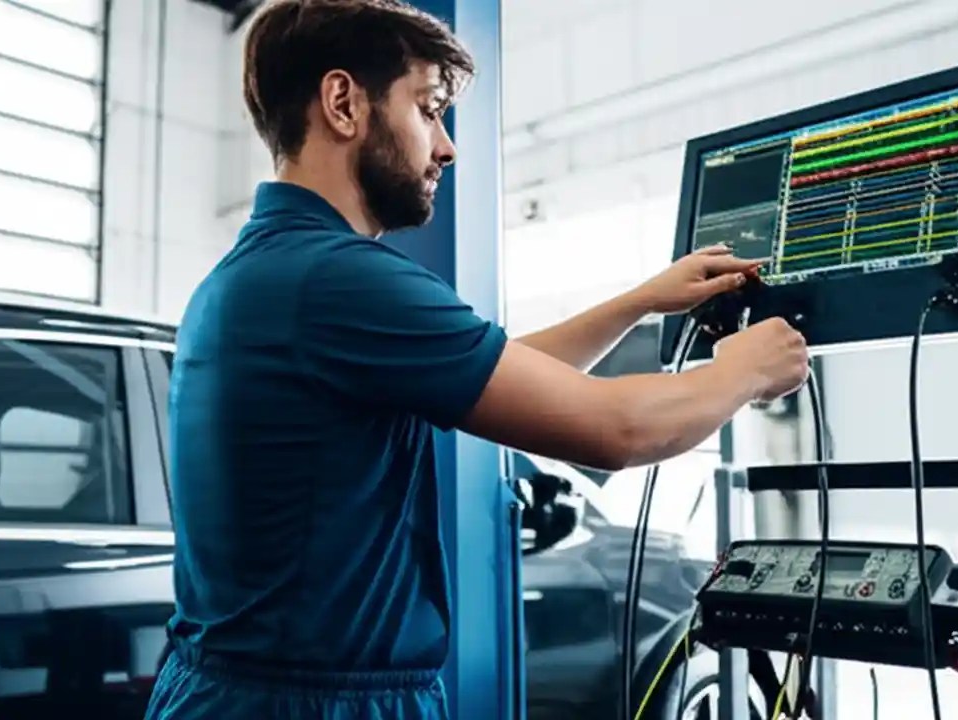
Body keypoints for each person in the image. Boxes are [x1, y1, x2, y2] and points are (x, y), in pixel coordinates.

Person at [144, 0, 809, 718]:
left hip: (228, 689)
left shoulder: (258, 275)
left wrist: (638, 302)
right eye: (428, 110)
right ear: (343, 103)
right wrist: (747, 368)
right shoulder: (339, 279)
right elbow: (619, 430)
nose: (446, 147)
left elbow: (490, 371)